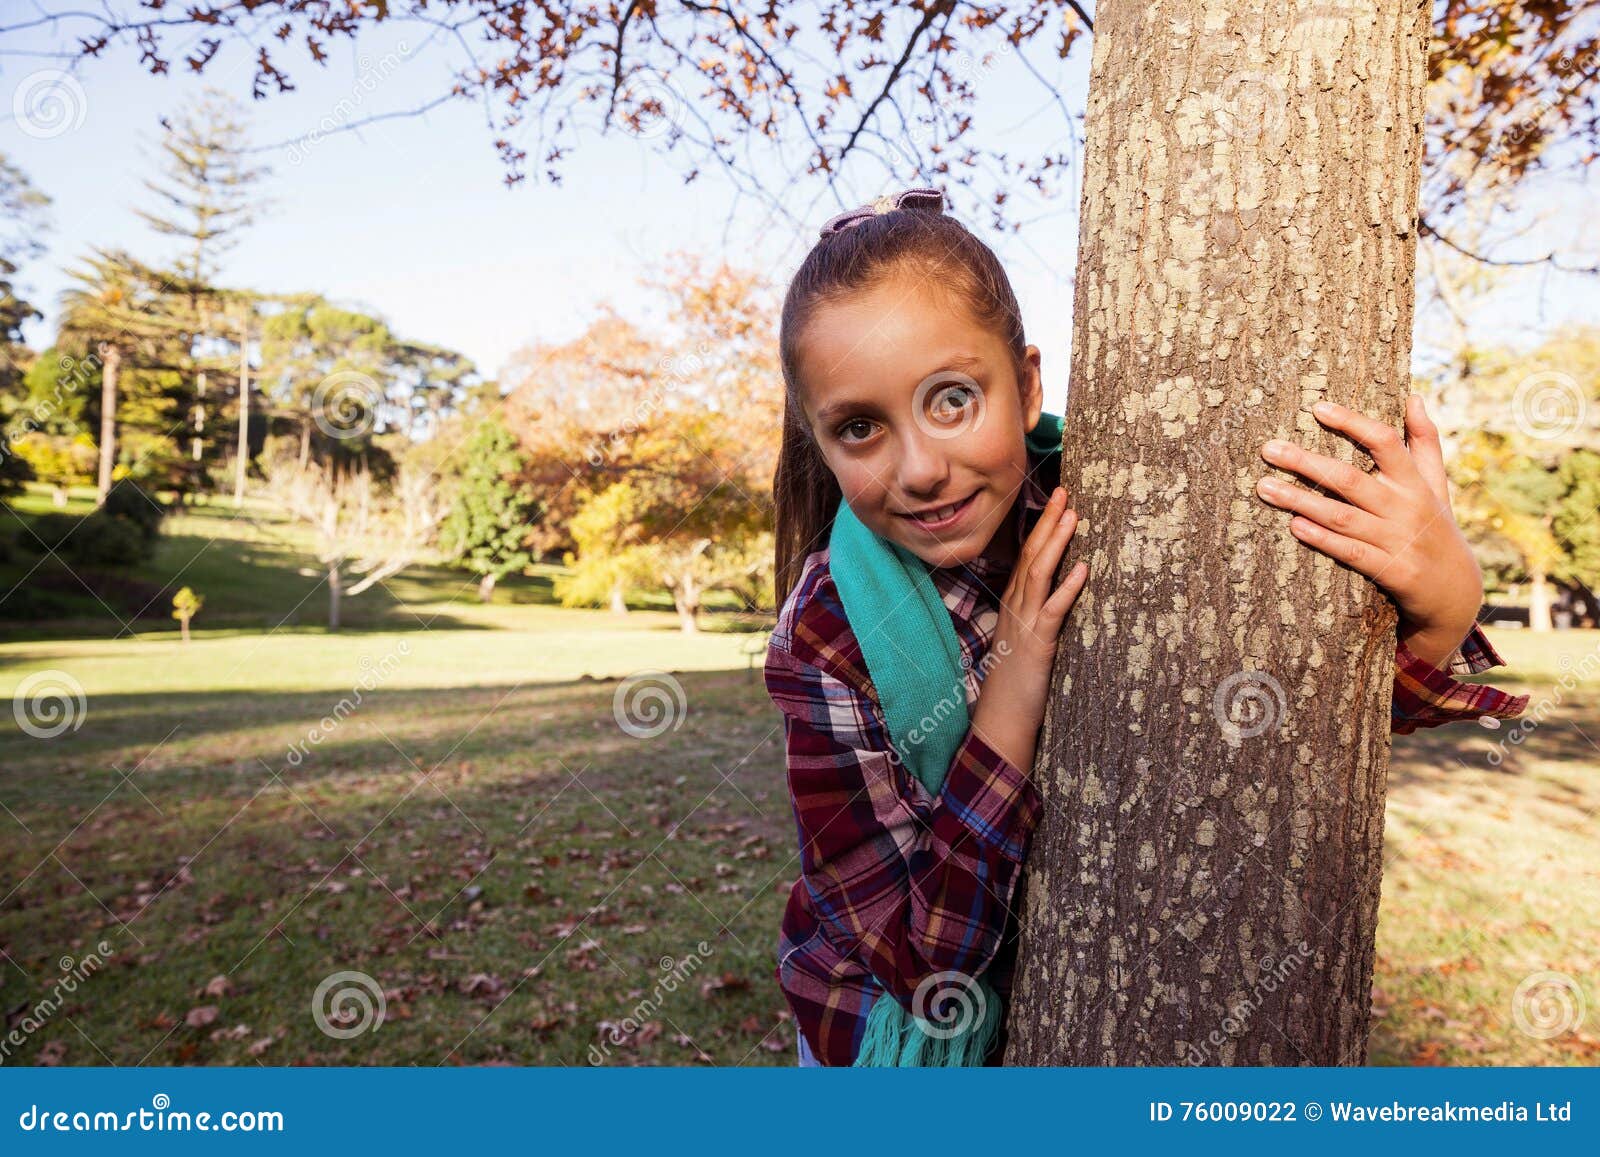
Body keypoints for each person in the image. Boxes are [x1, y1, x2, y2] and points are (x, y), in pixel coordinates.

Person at [766, 186, 1529, 1067]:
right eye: (860, 427)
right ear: (820, 445)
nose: (922, 468)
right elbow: (918, 957)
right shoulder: (828, 633)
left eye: (952, 399)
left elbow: (1310, 719)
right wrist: (1010, 695)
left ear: (1025, 383)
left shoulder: (1119, 489)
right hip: (881, 1044)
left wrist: (1445, 600)